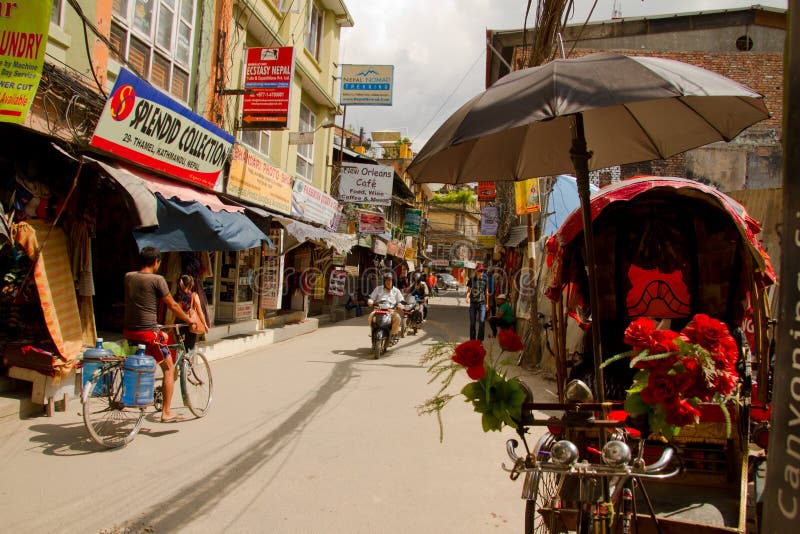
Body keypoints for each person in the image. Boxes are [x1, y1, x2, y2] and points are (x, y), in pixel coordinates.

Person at [123, 246, 197, 423]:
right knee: (169, 368)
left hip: (129, 331)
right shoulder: (158, 279)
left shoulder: (128, 277)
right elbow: (172, 305)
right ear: (156, 262)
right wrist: (188, 319)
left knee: (144, 361)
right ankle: (166, 412)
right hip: (148, 333)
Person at [174, 274, 209, 351]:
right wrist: (205, 324)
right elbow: (199, 311)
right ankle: (186, 361)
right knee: (189, 349)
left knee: (179, 348)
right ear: (191, 285)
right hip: (190, 325)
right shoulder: (193, 295)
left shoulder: (176, 296)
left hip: (178, 325)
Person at [367, 272, 404, 338]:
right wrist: (370, 301)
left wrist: (399, 305)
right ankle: (372, 331)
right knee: (371, 316)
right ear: (384, 281)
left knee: (398, 318)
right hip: (378, 310)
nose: (389, 282)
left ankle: (393, 334)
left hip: (391, 311)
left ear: (393, 281)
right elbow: (371, 298)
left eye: (390, 280)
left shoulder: (396, 291)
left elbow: (401, 300)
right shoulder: (378, 289)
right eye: (387, 280)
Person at [466, 265, 490, 341]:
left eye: (482, 271)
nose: (481, 272)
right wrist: (467, 297)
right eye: (479, 271)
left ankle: (479, 340)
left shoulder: (485, 280)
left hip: (482, 303)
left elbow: (486, 292)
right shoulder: (471, 280)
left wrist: (487, 304)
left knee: (482, 322)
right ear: (476, 271)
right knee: (472, 323)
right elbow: (469, 291)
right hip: (473, 304)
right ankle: (473, 340)